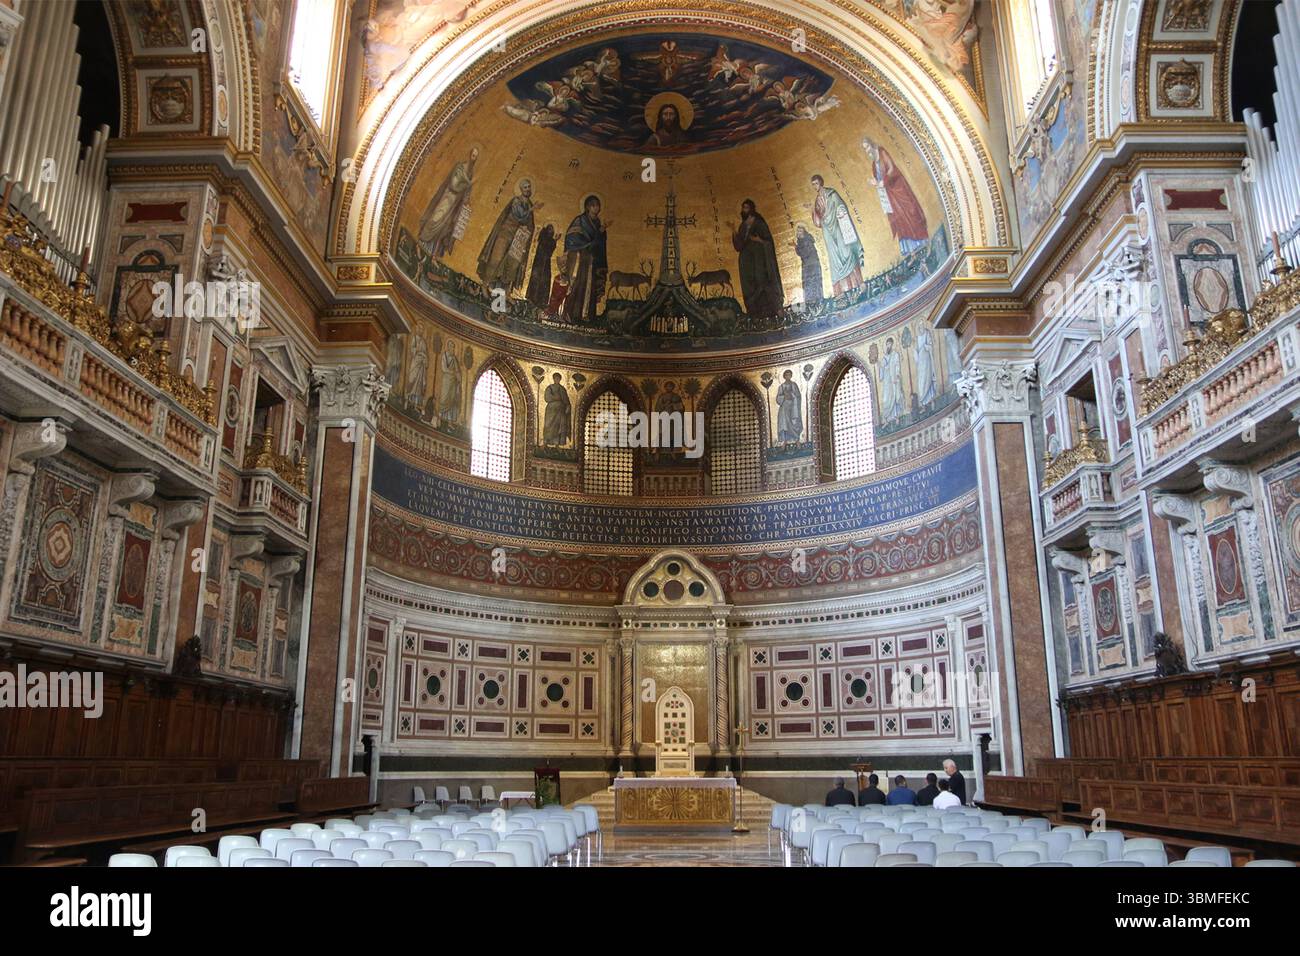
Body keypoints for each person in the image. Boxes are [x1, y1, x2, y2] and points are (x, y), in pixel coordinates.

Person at [731, 199, 784, 318]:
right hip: (747, 262)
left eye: (746, 208)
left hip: (760, 259)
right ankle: (754, 313)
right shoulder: (743, 226)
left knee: (762, 281)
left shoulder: (759, 223)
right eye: (743, 208)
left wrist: (758, 240)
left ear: (751, 209)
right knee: (750, 285)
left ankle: (771, 311)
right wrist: (734, 230)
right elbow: (739, 246)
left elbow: (768, 241)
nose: (743, 210)